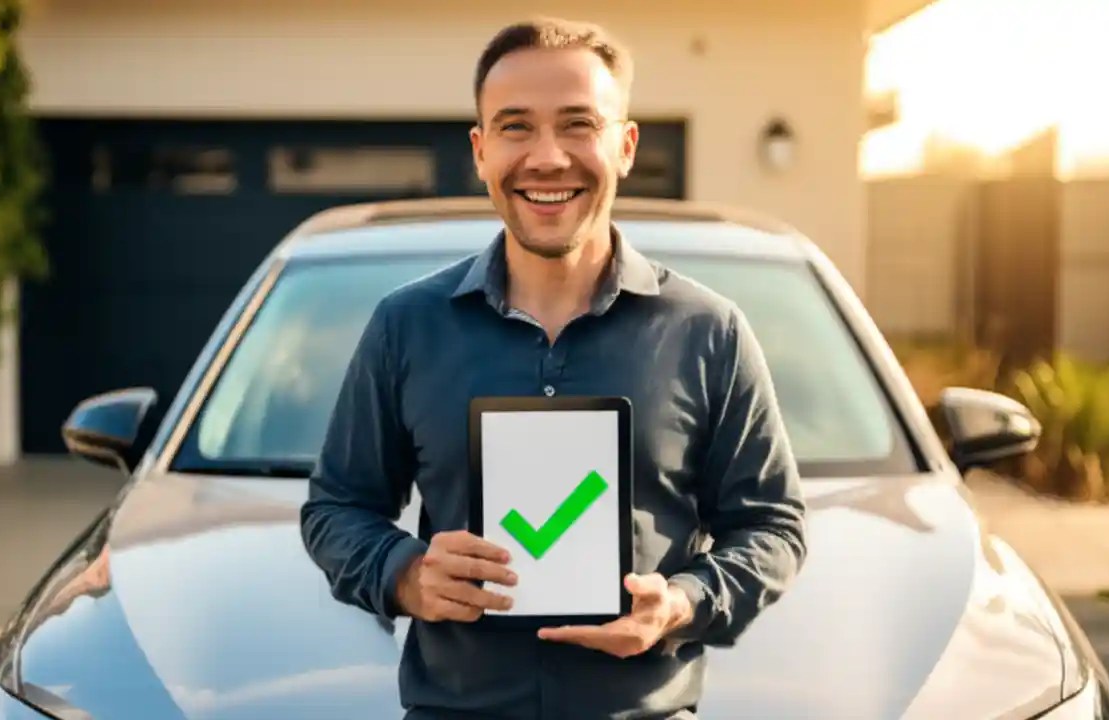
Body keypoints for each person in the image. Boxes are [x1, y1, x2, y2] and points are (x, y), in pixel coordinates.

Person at [301, 17, 807, 720]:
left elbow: (772, 525)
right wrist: (405, 574)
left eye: (578, 125)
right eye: (515, 127)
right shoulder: (404, 327)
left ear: (624, 146)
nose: (547, 157)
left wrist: (684, 603)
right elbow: (336, 508)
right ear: (480, 151)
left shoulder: (707, 332)